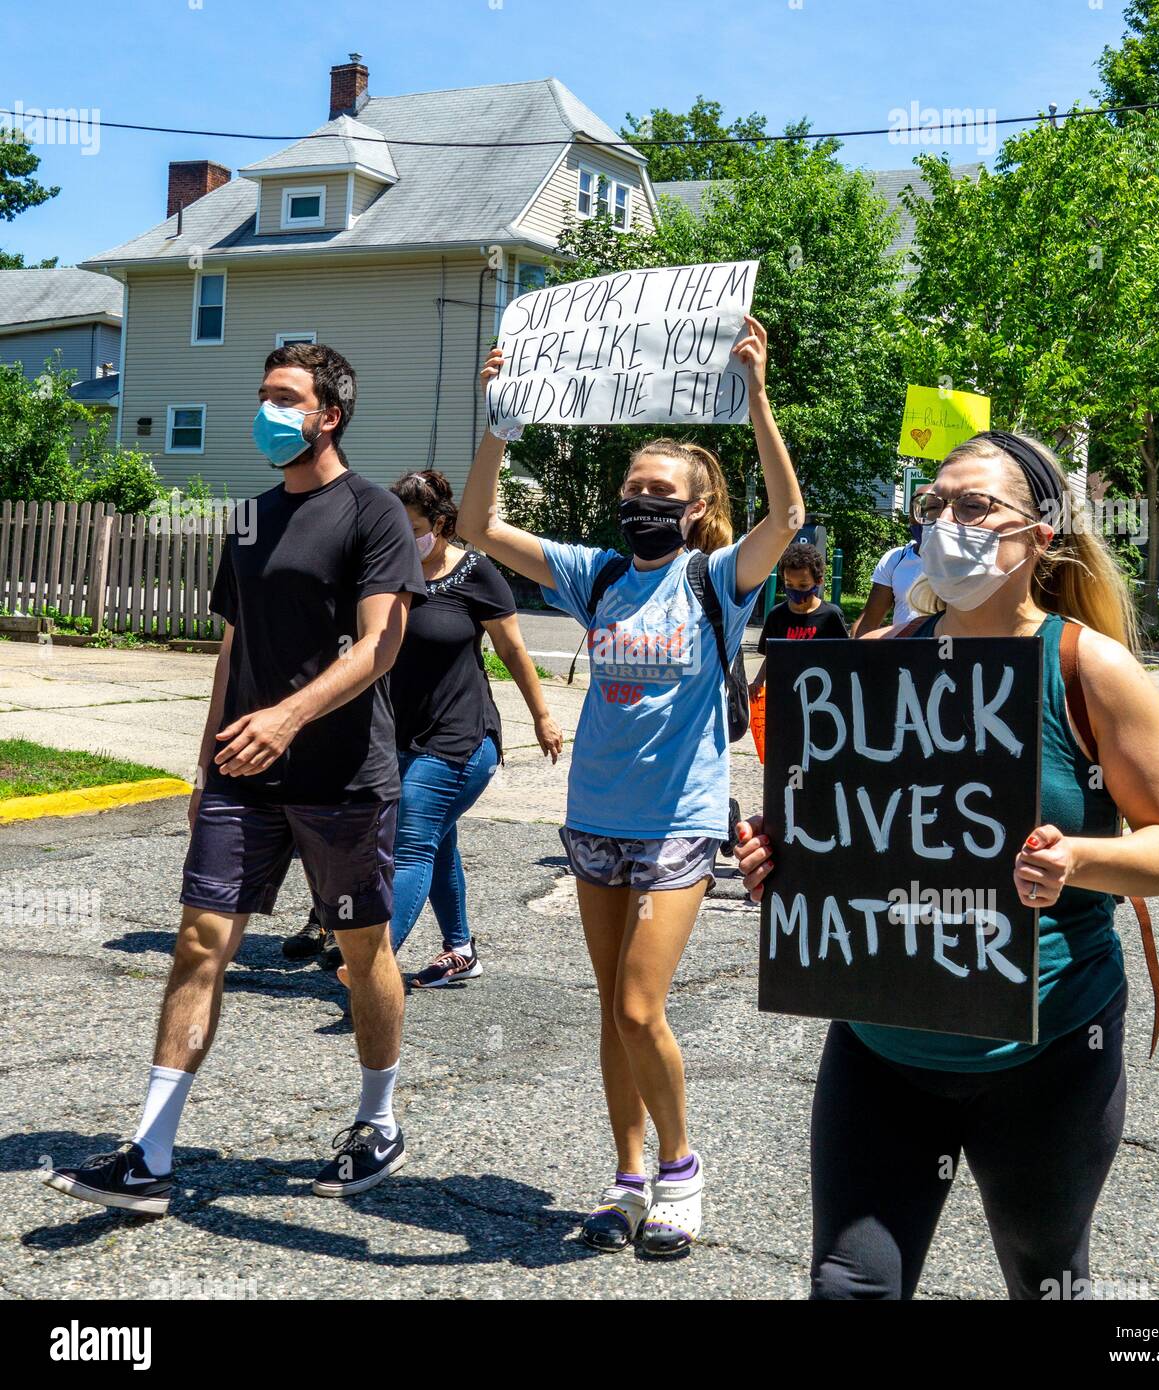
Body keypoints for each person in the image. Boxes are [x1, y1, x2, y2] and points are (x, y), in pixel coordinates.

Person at [735, 430, 1159, 1299]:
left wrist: (1078, 857)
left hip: (1049, 1052)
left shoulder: (1087, 668)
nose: (945, 522)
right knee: (849, 1286)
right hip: (880, 1047)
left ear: (1041, 535)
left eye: (975, 506)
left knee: (1045, 1278)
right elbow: (843, 829)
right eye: (934, 505)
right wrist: (783, 854)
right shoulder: (877, 660)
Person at [42, 343, 427, 1215]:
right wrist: (204, 762)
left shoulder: (372, 512)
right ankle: (150, 1153)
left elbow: (381, 644)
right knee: (199, 942)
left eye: (285, 397)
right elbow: (232, 645)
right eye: (263, 394)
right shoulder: (249, 518)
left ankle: (378, 1120)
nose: (268, 410)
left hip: (343, 779)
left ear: (330, 414)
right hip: (241, 778)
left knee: (362, 953)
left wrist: (289, 717)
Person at [458, 314, 803, 1257]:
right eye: (633, 487)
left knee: (642, 1006)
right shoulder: (597, 573)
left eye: (661, 491)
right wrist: (499, 422)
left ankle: (681, 1169)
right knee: (612, 1009)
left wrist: (757, 397)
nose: (642, 500)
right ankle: (626, 1177)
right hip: (593, 823)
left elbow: (786, 520)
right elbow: (477, 527)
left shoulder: (715, 578)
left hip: (677, 826)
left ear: (695, 507)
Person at [381, 468, 562, 989]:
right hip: (401, 736)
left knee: (412, 842)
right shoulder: (389, 571)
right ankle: (460, 949)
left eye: (414, 527)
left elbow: (512, 649)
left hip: (461, 737)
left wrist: (542, 716)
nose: (404, 537)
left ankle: (374, 963)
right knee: (437, 841)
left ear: (441, 524)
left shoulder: (475, 572)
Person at [749, 541, 850, 699]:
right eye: (789, 585)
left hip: (822, 694)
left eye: (803, 586)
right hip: (785, 693)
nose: (796, 591)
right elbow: (772, 656)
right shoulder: (777, 615)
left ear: (818, 581)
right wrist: (758, 681)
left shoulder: (831, 616)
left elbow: (844, 657)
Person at [850, 484, 933, 636]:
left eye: (931, 510)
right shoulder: (894, 559)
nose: (923, 519)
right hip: (902, 648)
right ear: (910, 517)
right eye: (917, 511)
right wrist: (857, 647)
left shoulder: (962, 562)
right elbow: (867, 622)